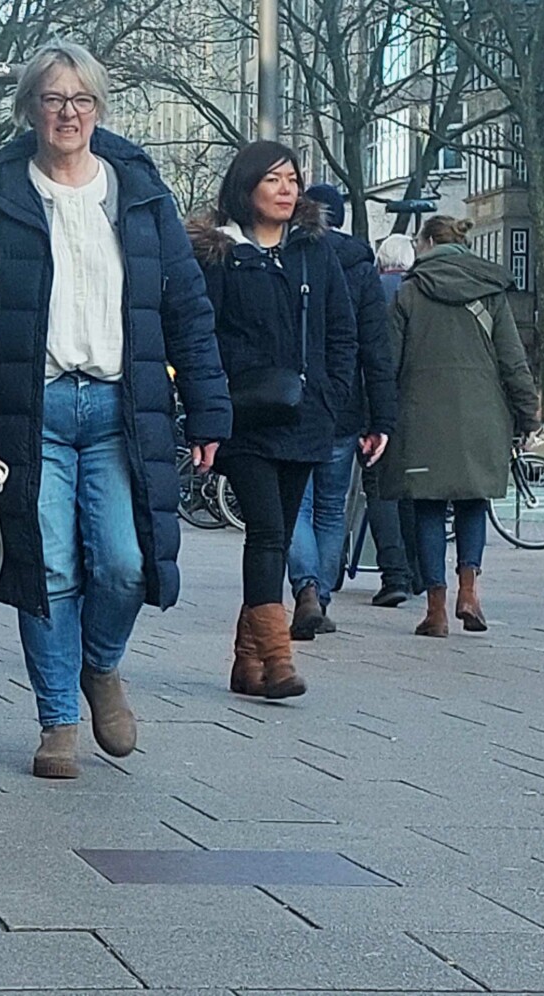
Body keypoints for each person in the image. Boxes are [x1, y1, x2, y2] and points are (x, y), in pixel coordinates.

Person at [0, 41, 231, 779]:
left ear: (98, 109)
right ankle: (58, 722)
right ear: (29, 110)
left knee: (125, 564)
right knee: (51, 566)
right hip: (28, 413)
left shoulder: (142, 198)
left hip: (118, 410)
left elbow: (187, 309)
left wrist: (209, 409)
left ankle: (100, 664)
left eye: (81, 100)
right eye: (52, 99)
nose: (67, 113)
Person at [187, 141, 357, 700]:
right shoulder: (218, 254)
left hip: (306, 415)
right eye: (273, 180)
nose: (286, 190)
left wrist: (332, 394)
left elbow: (342, 329)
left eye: (292, 180)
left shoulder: (314, 250)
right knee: (265, 531)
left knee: (279, 533)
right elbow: (200, 336)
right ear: (247, 187)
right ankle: (279, 660)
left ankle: (246, 661)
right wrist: (209, 408)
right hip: (247, 416)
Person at [381, 215, 539, 637]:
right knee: (473, 502)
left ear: (430, 243)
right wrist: (529, 414)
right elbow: (513, 362)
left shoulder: (408, 293)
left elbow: (388, 363)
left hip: (421, 418)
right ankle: (469, 592)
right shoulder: (491, 291)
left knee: (428, 508)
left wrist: (377, 418)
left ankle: (435, 610)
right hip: (481, 416)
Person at [286, 183, 397, 638]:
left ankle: (306, 588)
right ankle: (321, 599)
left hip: (291, 400)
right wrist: (381, 419)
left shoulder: (289, 253)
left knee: (295, 505)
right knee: (332, 509)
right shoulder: (359, 266)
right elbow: (376, 349)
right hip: (344, 403)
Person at [367, 233, 420, 604]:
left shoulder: (373, 289)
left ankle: (394, 573)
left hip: (377, 401)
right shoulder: (421, 292)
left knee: (379, 488)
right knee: (413, 489)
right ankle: (419, 571)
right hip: (419, 404)